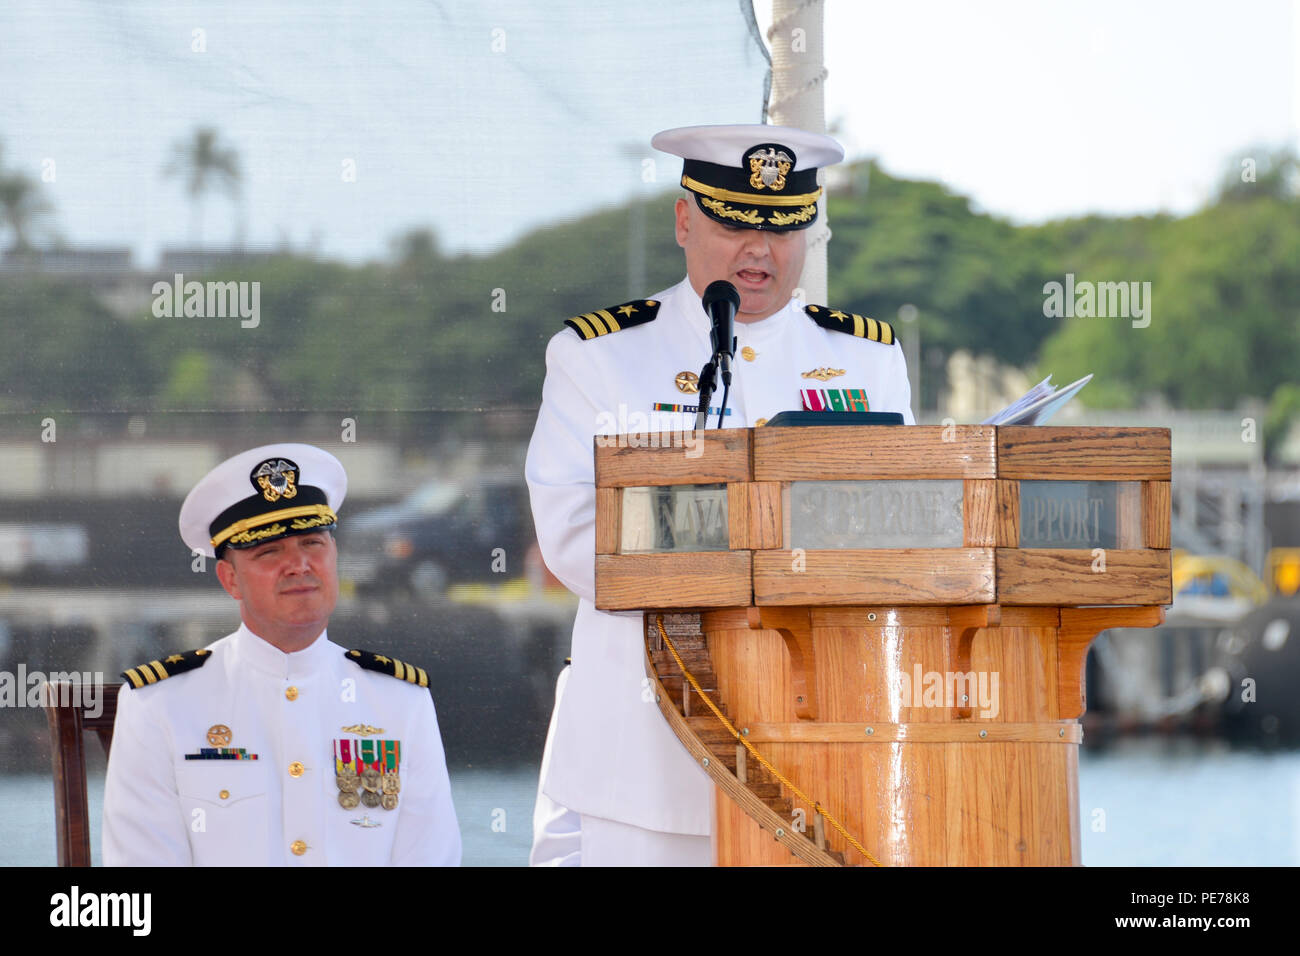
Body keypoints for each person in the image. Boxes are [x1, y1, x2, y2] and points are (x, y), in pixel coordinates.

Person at [524, 124, 915, 866]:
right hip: (642, 764)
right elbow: (578, 543)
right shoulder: (599, 355)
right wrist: (761, 530)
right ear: (683, 221)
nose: (760, 250)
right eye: (734, 222)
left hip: (820, 744)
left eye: (785, 227)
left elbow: (902, 532)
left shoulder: (868, 356)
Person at [102, 443, 461, 866]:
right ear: (229, 579)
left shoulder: (401, 701)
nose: (299, 565)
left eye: (313, 543)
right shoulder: (159, 705)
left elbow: (431, 856)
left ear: (334, 555)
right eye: (269, 551)